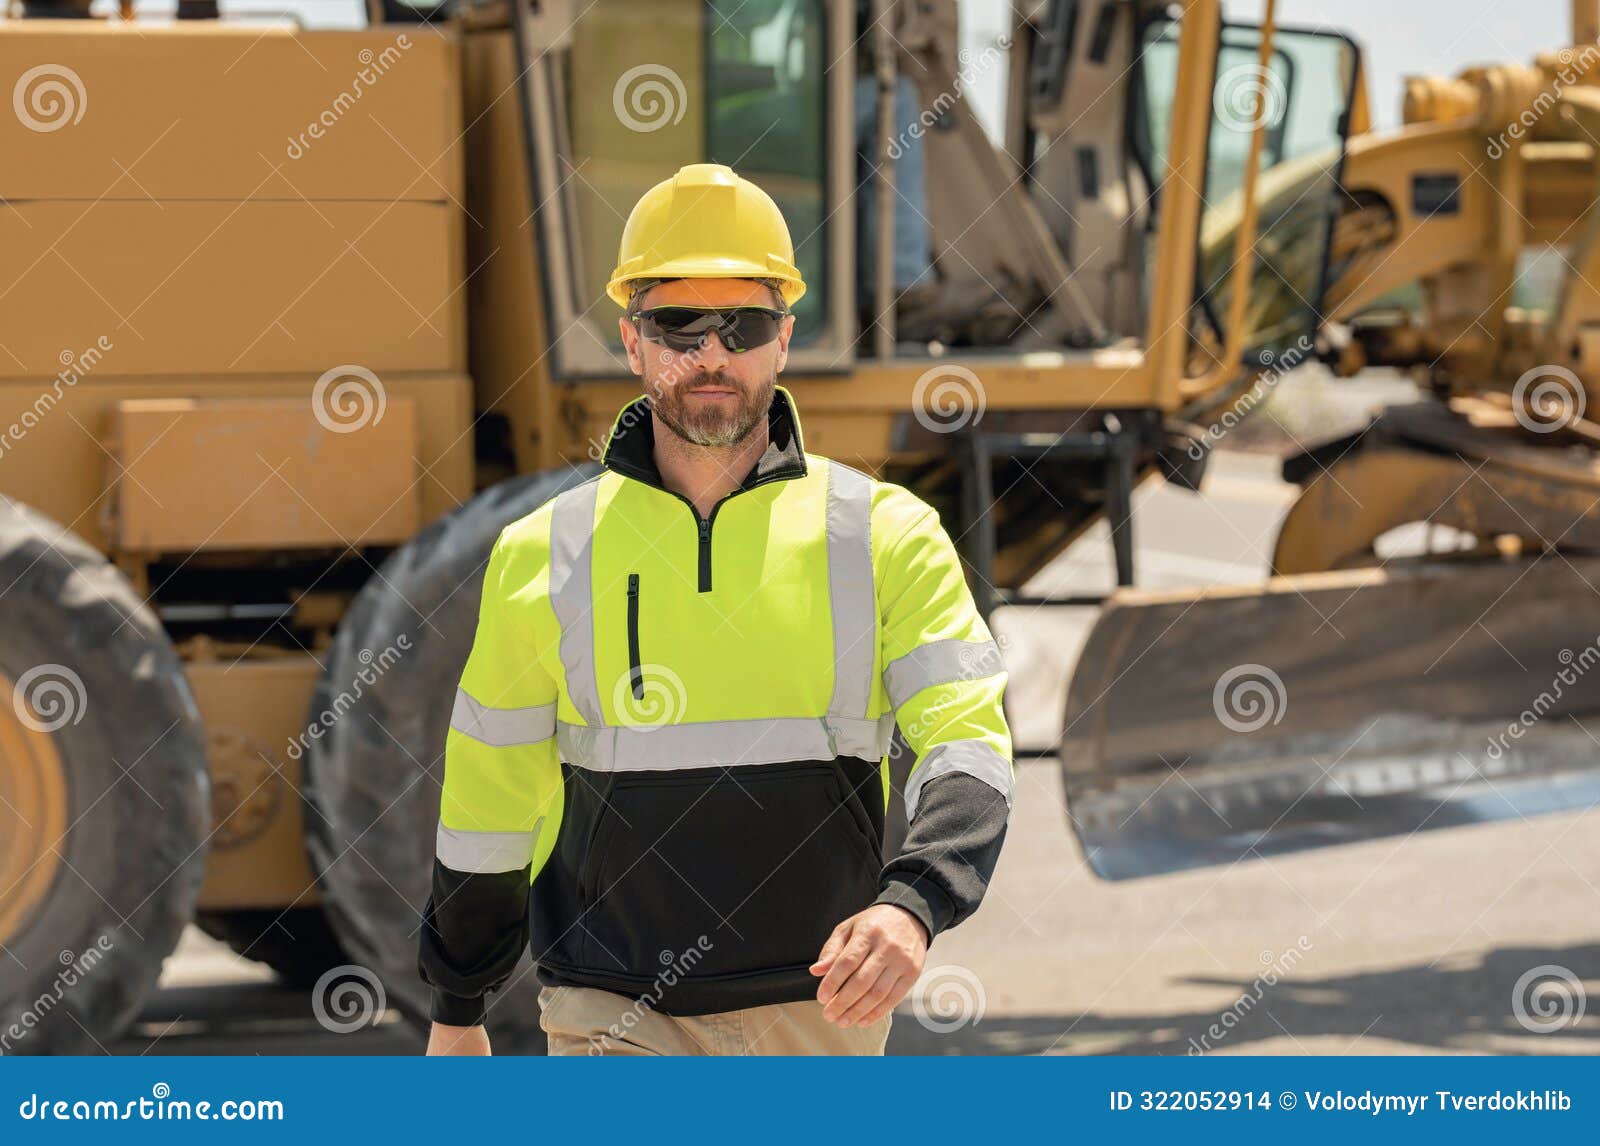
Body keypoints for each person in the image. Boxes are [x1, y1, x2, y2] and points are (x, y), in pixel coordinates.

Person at [419, 163, 1012, 1056]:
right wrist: (459, 1012)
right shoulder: (544, 551)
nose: (710, 353)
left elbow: (967, 738)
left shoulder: (885, 535)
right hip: (608, 1013)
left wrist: (916, 903)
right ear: (631, 341)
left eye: (743, 324)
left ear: (784, 340)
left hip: (819, 1015)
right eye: (678, 325)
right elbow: (488, 795)